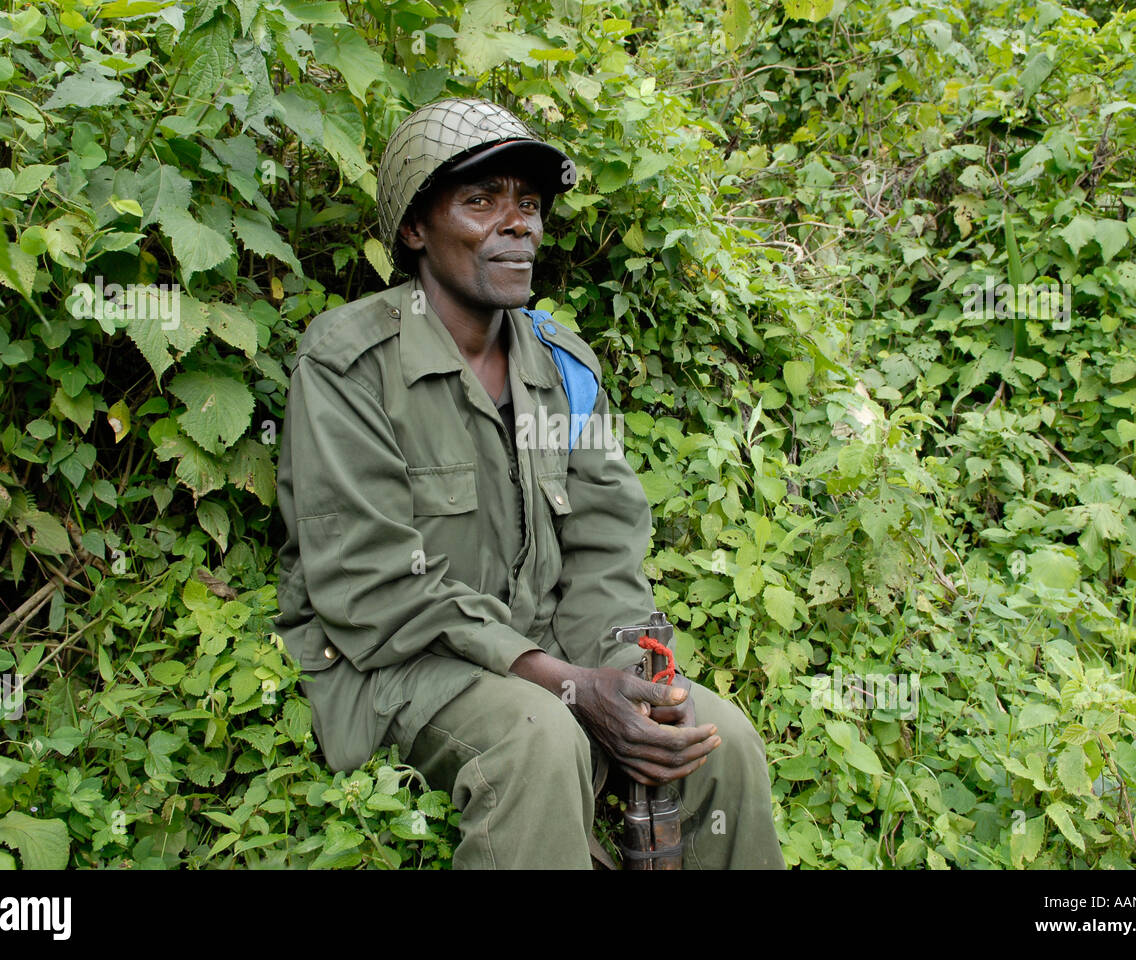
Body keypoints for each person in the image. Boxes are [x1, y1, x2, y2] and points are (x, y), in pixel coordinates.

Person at [274, 97, 785, 869]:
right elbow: (370, 586)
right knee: (540, 738)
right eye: (481, 201)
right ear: (415, 229)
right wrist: (566, 688)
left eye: (530, 205)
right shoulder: (350, 365)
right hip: (400, 660)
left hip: (551, 646)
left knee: (720, 740)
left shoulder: (562, 367)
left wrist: (616, 670)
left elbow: (605, 546)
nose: (519, 225)